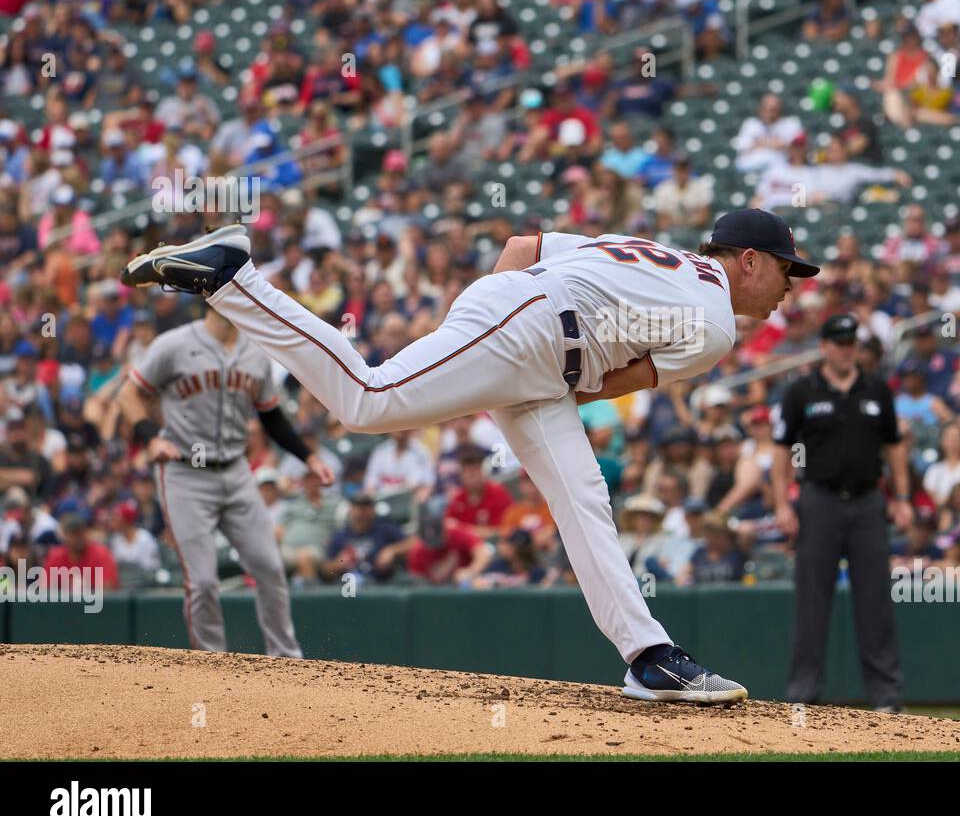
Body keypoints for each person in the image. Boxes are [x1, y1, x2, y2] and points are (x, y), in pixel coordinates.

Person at [122, 208, 822, 703]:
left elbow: (523, 244)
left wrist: (479, 334)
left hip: (531, 338)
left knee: (583, 497)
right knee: (368, 401)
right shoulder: (717, 324)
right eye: (787, 271)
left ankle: (648, 656)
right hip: (536, 335)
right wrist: (485, 349)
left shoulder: (648, 251)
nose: (793, 285)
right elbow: (615, 385)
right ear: (749, 260)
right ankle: (235, 278)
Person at [116, 305, 335, 657]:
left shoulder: (255, 352)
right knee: (202, 581)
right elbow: (129, 394)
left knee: (269, 566)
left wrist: (307, 457)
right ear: (212, 297)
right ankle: (211, 665)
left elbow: (271, 416)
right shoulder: (174, 345)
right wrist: (151, 436)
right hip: (184, 471)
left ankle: (287, 661)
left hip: (236, 470)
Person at [771, 314, 908, 711]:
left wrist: (900, 497)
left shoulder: (877, 390)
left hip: (868, 501)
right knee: (812, 601)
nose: (847, 349)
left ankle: (886, 698)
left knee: (876, 601)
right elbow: (781, 449)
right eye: (840, 342)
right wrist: (782, 503)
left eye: (852, 343)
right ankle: (803, 695)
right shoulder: (802, 392)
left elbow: (894, 446)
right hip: (819, 500)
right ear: (825, 347)